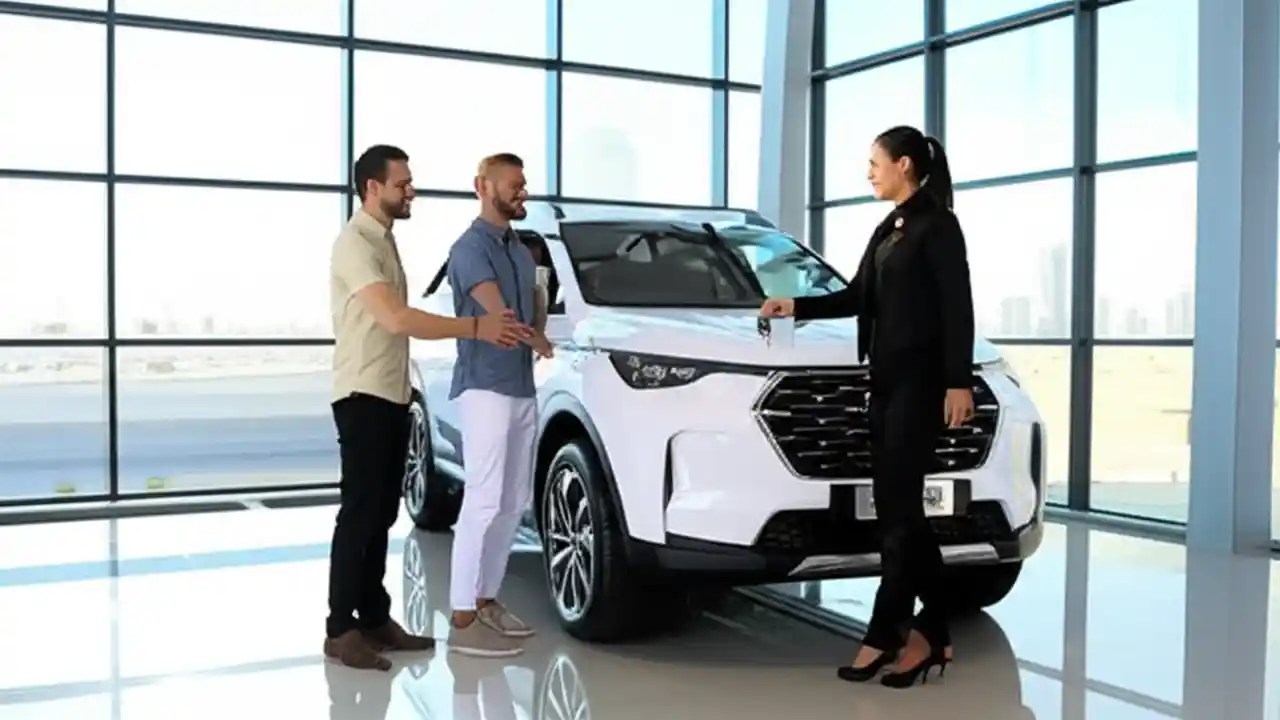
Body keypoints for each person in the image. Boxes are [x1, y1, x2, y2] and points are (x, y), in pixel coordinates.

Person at [760, 125, 975, 689]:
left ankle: (886, 633)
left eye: (875, 163)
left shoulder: (938, 225)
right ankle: (933, 632)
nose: (869, 172)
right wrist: (794, 305)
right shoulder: (891, 227)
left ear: (904, 164)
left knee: (900, 516)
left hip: (923, 387)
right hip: (884, 385)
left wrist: (959, 383)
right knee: (900, 514)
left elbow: (959, 308)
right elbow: (858, 296)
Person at [325, 144, 533, 671]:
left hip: (392, 392)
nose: (410, 190)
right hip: (362, 392)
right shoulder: (355, 244)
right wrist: (475, 327)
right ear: (373, 188)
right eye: (402, 184)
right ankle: (340, 629)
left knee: (383, 512)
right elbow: (394, 319)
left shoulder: (385, 242)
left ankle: (373, 618)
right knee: (360, 513)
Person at [445, 152, 554, 658]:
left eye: (524, 185)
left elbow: (534, 314)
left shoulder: (521, 251)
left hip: (521, 388)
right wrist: (533, 334)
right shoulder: (469, 248)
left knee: (514, 503)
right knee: (484, 499)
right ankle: (462, 618)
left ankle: (486, 598)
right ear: (483, 187)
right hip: (485, 386)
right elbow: (500, 315)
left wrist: (538, 324)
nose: (522, 192)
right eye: (514, 185)